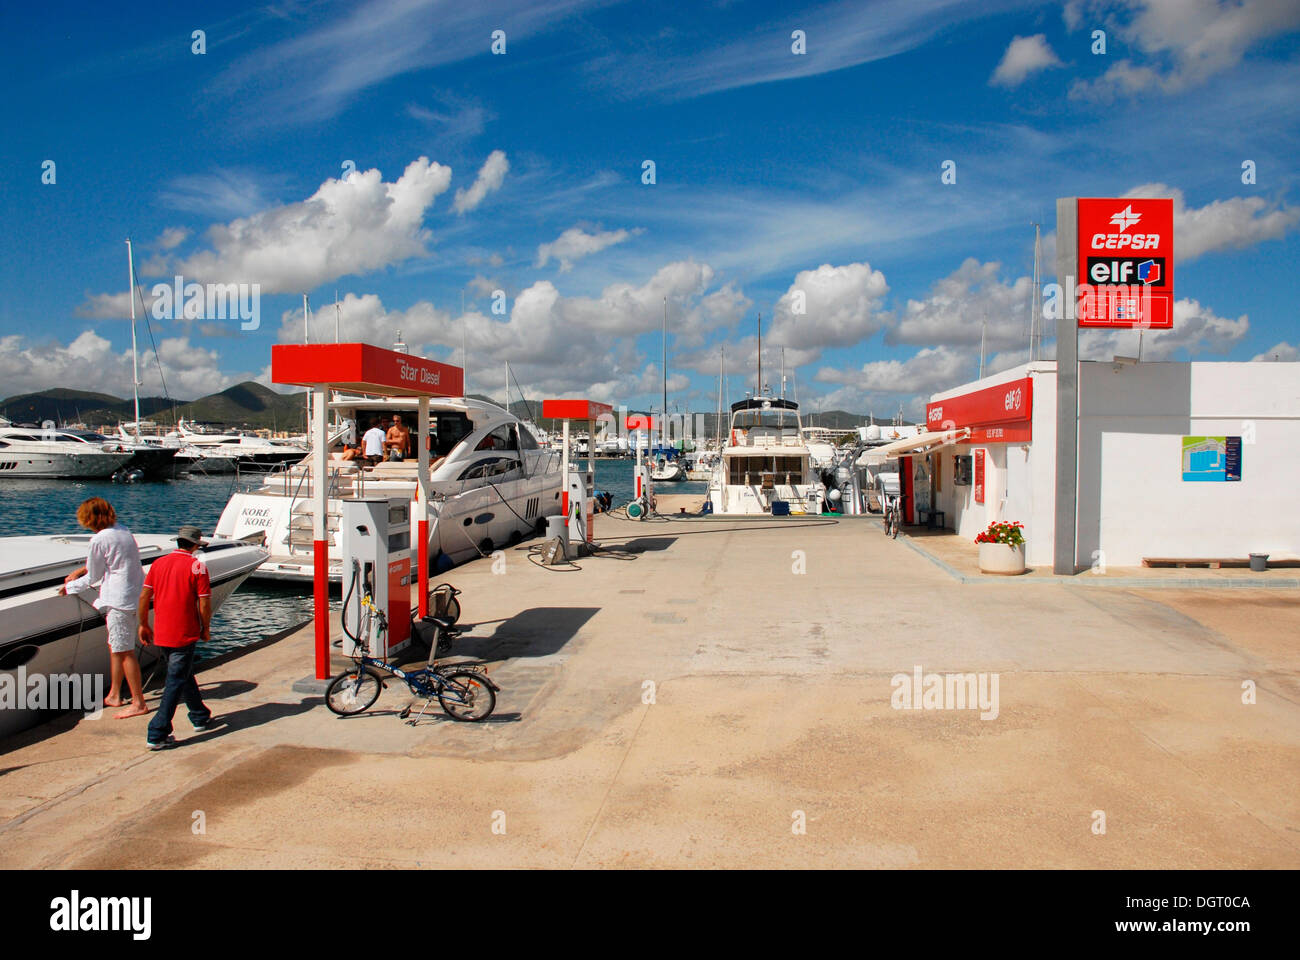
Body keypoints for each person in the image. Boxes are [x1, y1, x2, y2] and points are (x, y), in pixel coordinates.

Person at [60, 497, 148, 719]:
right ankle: (115, 694)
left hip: (118, 599)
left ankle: (138, 702)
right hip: (132, 593)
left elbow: (95, 574)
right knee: (115, 646)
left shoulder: (99, 539)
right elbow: (108, 561)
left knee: (124, 651)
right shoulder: (122, 530)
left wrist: (70, 586)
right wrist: (80, 572)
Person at [140, 525, 219, 750]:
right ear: (195, 545)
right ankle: (157, 731)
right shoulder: (197, 567)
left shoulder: (158, 564)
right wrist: (206, 627)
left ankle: (199, 715)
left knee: (182, 673)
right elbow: (204, 602)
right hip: (184, 631)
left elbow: (145, 595)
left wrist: (144, 624)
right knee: (175, 680)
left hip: (162, 630)